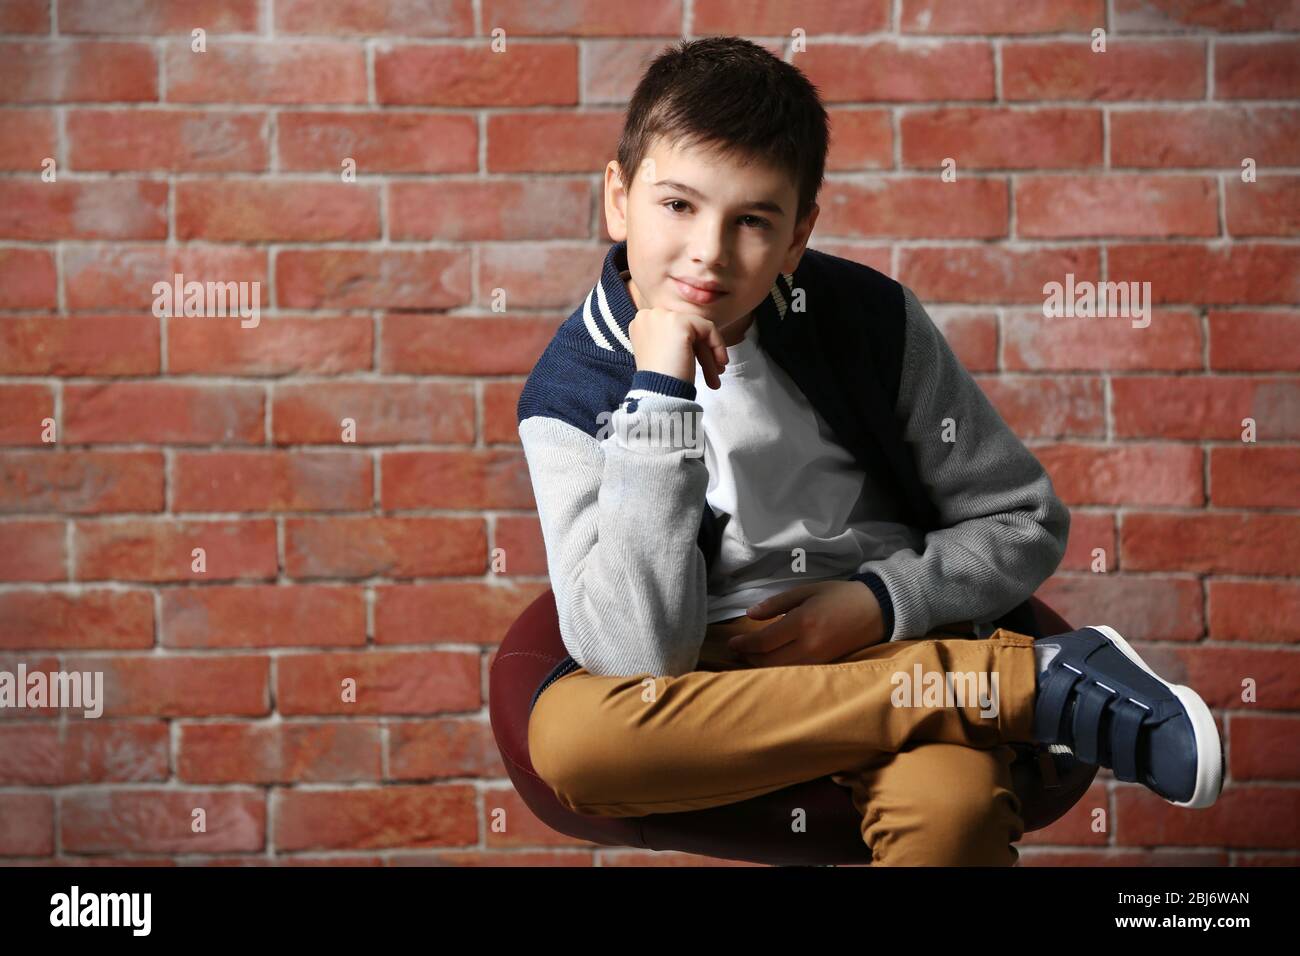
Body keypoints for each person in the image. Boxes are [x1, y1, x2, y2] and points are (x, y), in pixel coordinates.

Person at [515, 36, 1223, 866]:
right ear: (618, 198)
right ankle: (1020, 689)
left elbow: (1022, 518)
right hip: (700, 686)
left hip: (890, 635)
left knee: (953, 813)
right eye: (678, 206)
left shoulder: (869, 322)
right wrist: (660, 390)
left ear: (797, 235)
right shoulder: (567, 396)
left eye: (752, 220)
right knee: (574, 745)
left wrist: (878, 603)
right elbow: (638, 654)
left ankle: (976, 688)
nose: (709, 251)